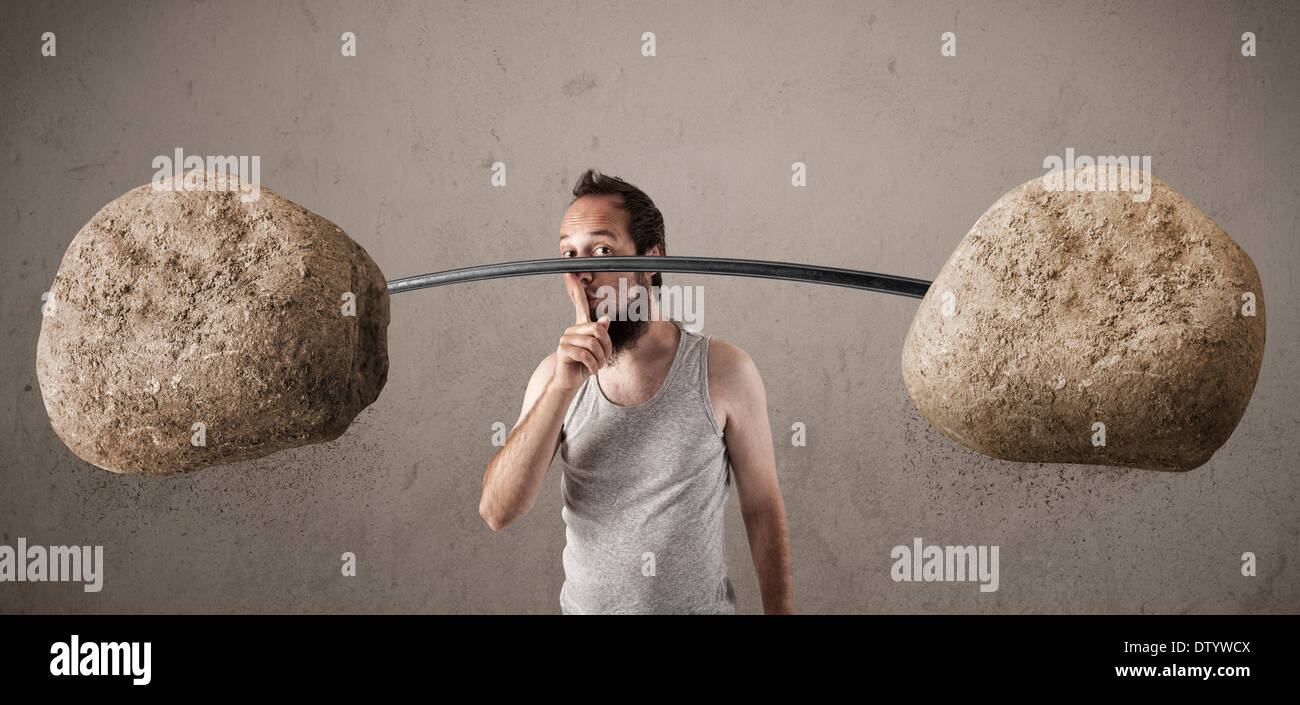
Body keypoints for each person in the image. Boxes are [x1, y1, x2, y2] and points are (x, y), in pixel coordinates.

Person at [479, 169, 793, 614]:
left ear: (651, 259)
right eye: (569, 254)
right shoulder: (553, 377)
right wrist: (563, 386)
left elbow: (762, 506)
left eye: (602, 250)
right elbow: (497, 512)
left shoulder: (725, 371)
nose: (582, 274)